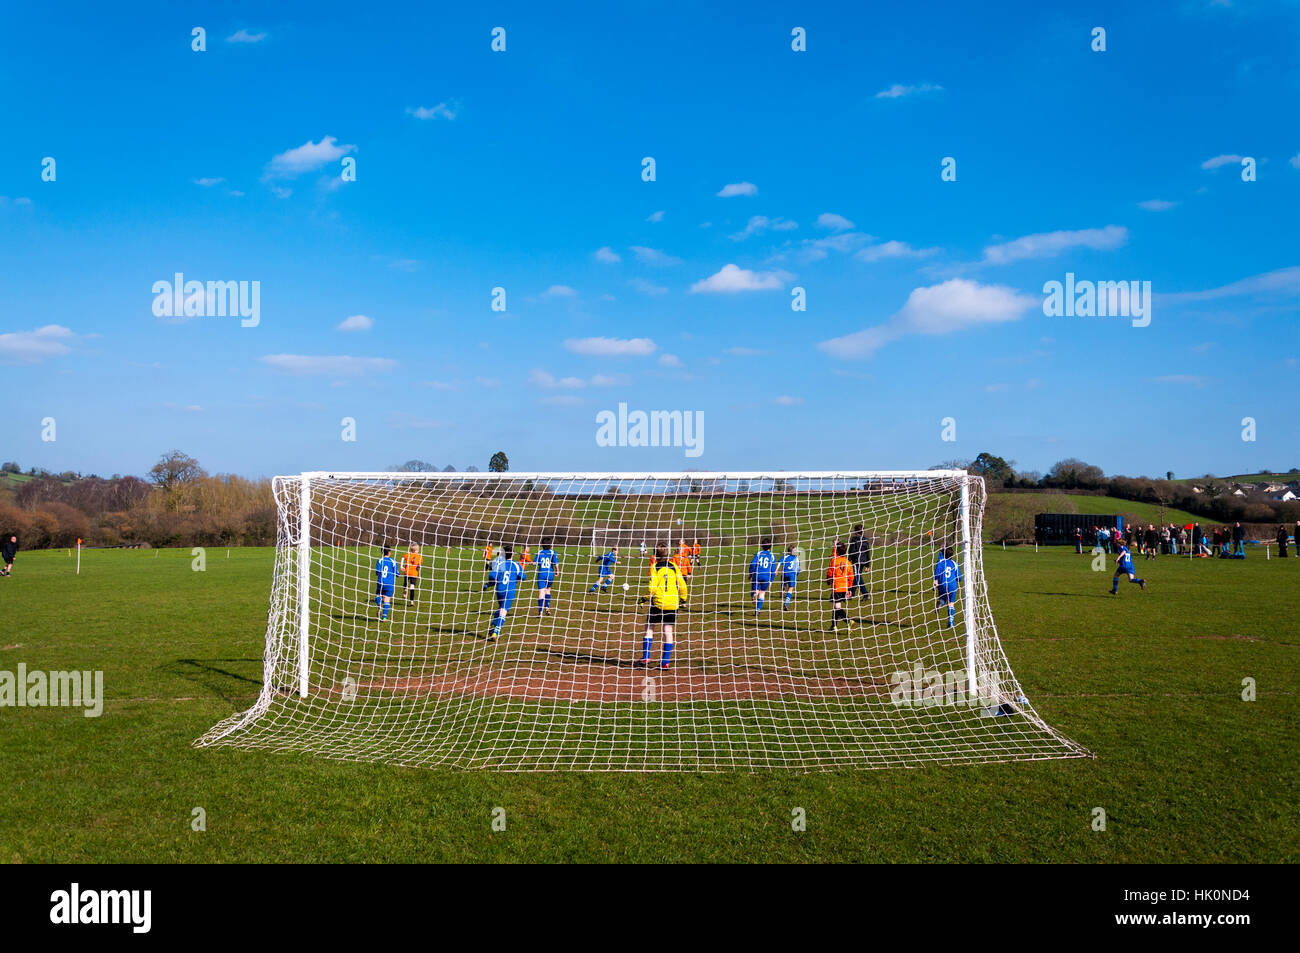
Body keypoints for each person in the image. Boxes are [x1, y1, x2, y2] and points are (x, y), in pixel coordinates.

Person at [636, 544, 689, 669]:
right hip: (672, 604)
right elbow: (682, 584)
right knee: (668, 631)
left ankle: (646, 657)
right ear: (668, 553)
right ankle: (665, 662)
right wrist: (683, 598)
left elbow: (652, 588)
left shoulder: (655, 567)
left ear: (655, 554)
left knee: (649, 628)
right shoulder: (674, 567)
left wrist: (644, 599)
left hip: (658, 603)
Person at [486, 544, 526, 643]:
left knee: (500, 609)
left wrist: (490, 584)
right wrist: (516, 577)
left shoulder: (500, 564)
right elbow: (523, 577)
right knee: (503, 611)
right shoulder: (516, 565)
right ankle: (495, 632)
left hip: (500, 590)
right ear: (512, 554)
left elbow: (492, 576)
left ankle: (493, 625)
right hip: (510, 591)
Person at [825, 542, 855, 632]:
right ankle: (833, 626)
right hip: (844, 587)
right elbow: (851, 577)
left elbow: (830, 572)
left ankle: (848, 621)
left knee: (837, 607)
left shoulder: (834, 561)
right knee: (836, 606)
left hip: (837, 586)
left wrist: (828, 580)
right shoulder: (848, 562)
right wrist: (849, 589)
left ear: (837, 551)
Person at [933, 546, 962, 629]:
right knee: (951, 603)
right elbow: (959, 578)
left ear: (943, 554)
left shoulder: (940, 562)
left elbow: (936, 573)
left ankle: (940, 603)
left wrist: (935, 582)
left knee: (942, 598)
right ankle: (951, 622)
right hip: (952, 585)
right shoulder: (955, 564)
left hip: (942, 584)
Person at [748, 538, 776, 614]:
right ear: (770, 546)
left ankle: (755, 594)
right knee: (762, 592)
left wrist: (750, 573)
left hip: (757, 575)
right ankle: (758, 610)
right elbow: (773, 570)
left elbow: (752, 564)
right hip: (766, 576)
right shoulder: (772, 555)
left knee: (755, 590)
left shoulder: (759, 554)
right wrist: (771, 580)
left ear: (761, 545)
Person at [535, 537, 559, 615]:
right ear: (550, 545)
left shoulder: (539, 552)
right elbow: (556, 563)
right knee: (548, 590)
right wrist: (557, 570)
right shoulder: (552, 552)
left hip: (541, 573)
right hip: (550, 574)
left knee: (541, 592)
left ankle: (540, 611)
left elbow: (535, 563)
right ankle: (547, 607)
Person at [847, 524, 871, 601]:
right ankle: (851, 594)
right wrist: (867, 564)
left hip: (856, 561)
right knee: (856, 577)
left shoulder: (854, 540)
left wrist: (848, 560)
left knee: (857, 578)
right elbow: (867, 553)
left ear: (855, 531)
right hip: (863, 562)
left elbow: (852, 551)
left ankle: (865, 594)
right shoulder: (865, 539)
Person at [374, 546, 399, 620]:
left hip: (381, 582)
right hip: (390, 584)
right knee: (387, 600)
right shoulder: (393, 561)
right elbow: (397, 573)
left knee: (378, 595)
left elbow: (377, 572)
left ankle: (379, 604)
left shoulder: (379, 561)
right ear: (389, 552)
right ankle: (384, 617)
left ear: (382, 552)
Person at [779, 544, 800, 609]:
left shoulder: (784, 557)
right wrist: (797, 574)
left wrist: (776, 570)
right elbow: (798, 568)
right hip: (792, 574)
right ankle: (786, 603)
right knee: (790, 588)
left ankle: (783, 588)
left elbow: (779, 563)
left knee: (784, 582)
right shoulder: (796, 559)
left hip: (784, 573)